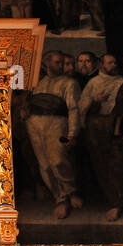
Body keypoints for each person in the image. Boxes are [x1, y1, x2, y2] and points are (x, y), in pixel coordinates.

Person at [80, 54, 123, 221]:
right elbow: (81, 107)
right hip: (97, 132)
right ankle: (116, 204)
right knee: (104, 168)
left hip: (120, 131)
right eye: (110, 62)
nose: (114, 64)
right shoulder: (93, 84)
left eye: (115, 62)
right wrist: (94, 101)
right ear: (101, 64)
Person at [26, 51, 83, 219]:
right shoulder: (38, 84)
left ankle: (71, 191)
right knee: (44, 165)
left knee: (58, 160)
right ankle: (60, 198)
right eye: (58, 62)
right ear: (47, 64)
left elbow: (73, 109)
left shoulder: (69, 83)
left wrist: (72, 133)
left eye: (62, 62)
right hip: (35, 125)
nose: (61, 65)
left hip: (57, 124)